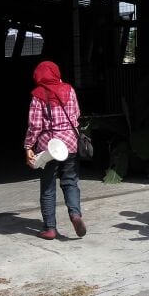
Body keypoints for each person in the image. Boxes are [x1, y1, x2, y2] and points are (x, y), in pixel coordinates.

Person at [24, 60, 86, 240]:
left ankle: (50, 228)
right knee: (70, 182)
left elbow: (35, 125)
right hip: (70, 143)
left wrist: (28, 146)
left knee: (48, 187)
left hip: (49, 146)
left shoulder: (38, 94)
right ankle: (75, 215)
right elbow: (76, 115)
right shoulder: (69, 89)